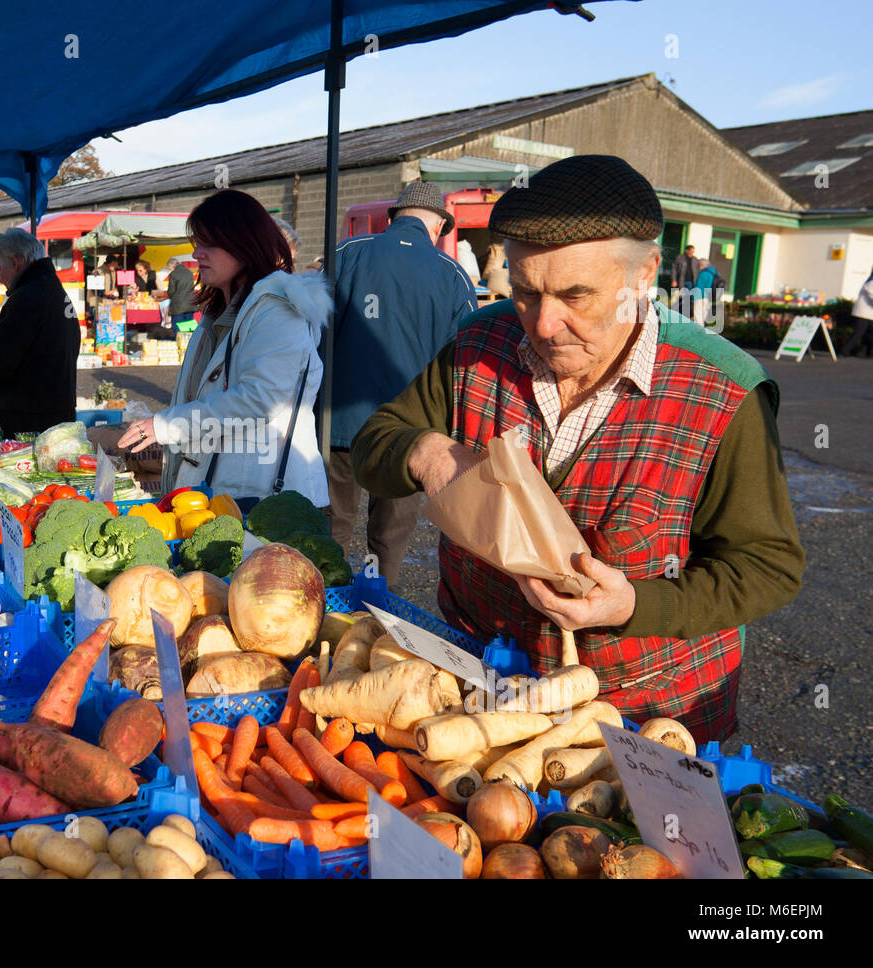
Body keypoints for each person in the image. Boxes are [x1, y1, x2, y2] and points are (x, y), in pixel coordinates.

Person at [351, 155, 804, 743]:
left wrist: (633, 606)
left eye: (576, 294)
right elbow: (372, 446)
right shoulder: (477, 344)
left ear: (645, 274)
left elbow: (767, 567)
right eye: (524, 292)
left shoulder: (725, 391)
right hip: (483, 694)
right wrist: (428, 452)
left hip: (646, 722)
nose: (543, 324)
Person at [117, 189, 329, 509]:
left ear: (244, 244)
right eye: (196, 244)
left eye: (208, 244)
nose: (197, 254)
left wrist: (167, 425)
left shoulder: (277, 310)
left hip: (266, 496)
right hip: (226, 488)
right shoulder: (221, 311)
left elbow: (260, 401)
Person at [327, 180, 477, 587]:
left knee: (331, 529)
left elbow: (314, 332)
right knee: (388, 540)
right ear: (439, 229)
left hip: (337, 419)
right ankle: (377, 617)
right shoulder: (454, 276)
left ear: (391, 219)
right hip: (407, 432)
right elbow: (459, 361)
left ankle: (322, 609)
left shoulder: (346, 254)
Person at [0, 229, 79, 435]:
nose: (0, 278)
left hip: (28, 420)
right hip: (51, 410)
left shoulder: (29, 297)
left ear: (16, 261)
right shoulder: (50, 289)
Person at [840, 266, 873, 357]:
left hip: (868, 313)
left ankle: (866, 352)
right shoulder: (871, 281)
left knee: (868, 334)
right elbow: (871, 294)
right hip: (863, 313)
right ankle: (844, 351)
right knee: (858, 333)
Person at [163, 256, 197, 333]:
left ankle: (179, 342)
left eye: (169, 269)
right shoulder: (189, 272)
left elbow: (171, 291)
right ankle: (188, 343)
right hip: (190, 303)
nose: (170, 270)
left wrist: (171, 297)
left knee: (178, 328)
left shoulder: (173, 274)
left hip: (178, 305)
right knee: (189, 327)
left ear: (172, 266)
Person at [692, 258, 722, 326]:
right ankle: (702, 332)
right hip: (709, 298)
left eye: (698, 265)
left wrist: (693, 297)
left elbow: (699, 287)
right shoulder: (714, 273)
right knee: (703, 317)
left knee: (698, 318)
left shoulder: (703, 273)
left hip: (700, 297)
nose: (698, 267)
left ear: (702, 265)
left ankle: (698, 333)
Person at [671, 244, 697, 315]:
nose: (692, 252)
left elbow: (697, 271)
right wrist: (674, 280)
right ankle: (677, 312)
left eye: (693, 251)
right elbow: (674, 269)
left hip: (691, 282)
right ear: (687, 250)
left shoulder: (695, 259)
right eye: (691, 251)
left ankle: (686, 313)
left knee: (689, 299)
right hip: (681, 282)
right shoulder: (680, 258)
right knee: (680, 297)